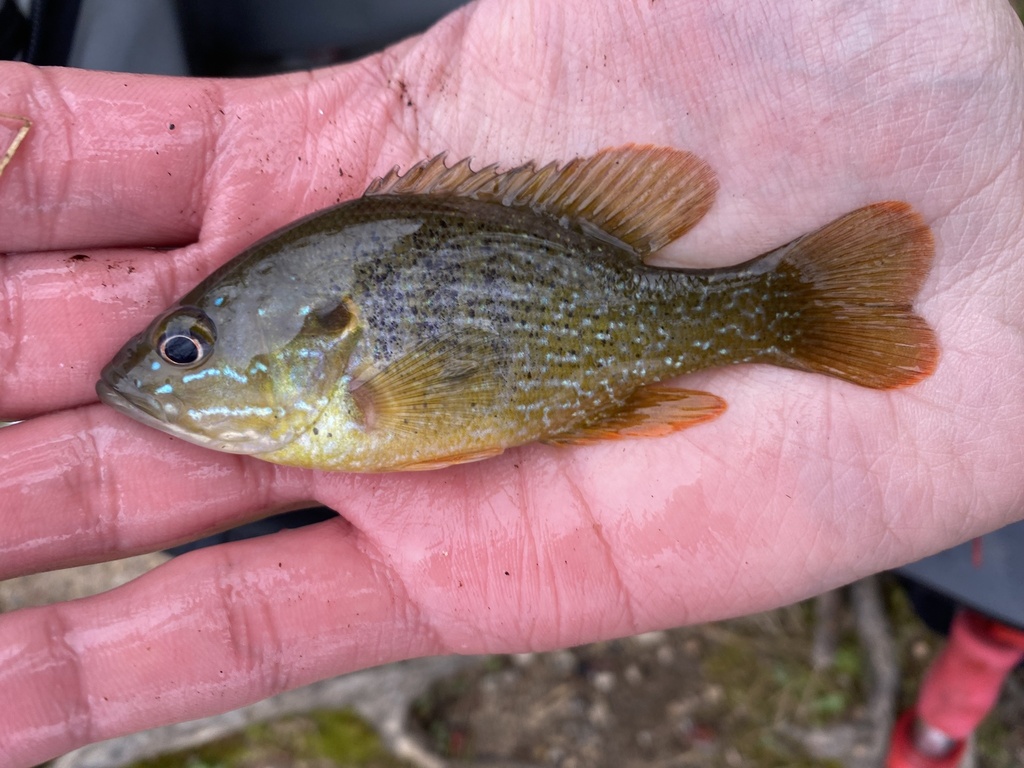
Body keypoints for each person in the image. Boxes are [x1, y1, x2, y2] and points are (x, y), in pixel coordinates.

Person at [1, 0, 1022, 764]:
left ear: (310, 340)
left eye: (185, 348)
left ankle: (789, 310)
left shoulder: (351, 386)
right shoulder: (337, 379)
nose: (162, 369)